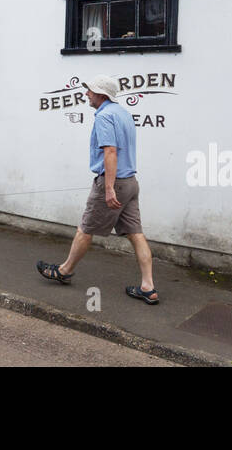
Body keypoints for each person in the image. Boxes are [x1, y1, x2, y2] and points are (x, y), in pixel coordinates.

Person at [36, 74, 157, 304]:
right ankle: (148, 287)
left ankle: (64, 271)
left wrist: (109, 188)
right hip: (131, 182)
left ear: (101, 95)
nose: (86, 94)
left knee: (85, 229)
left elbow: (110, 152)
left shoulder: (104, 116)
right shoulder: (123, 113)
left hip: (113, 183)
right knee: (136, 234)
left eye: (90, 91)